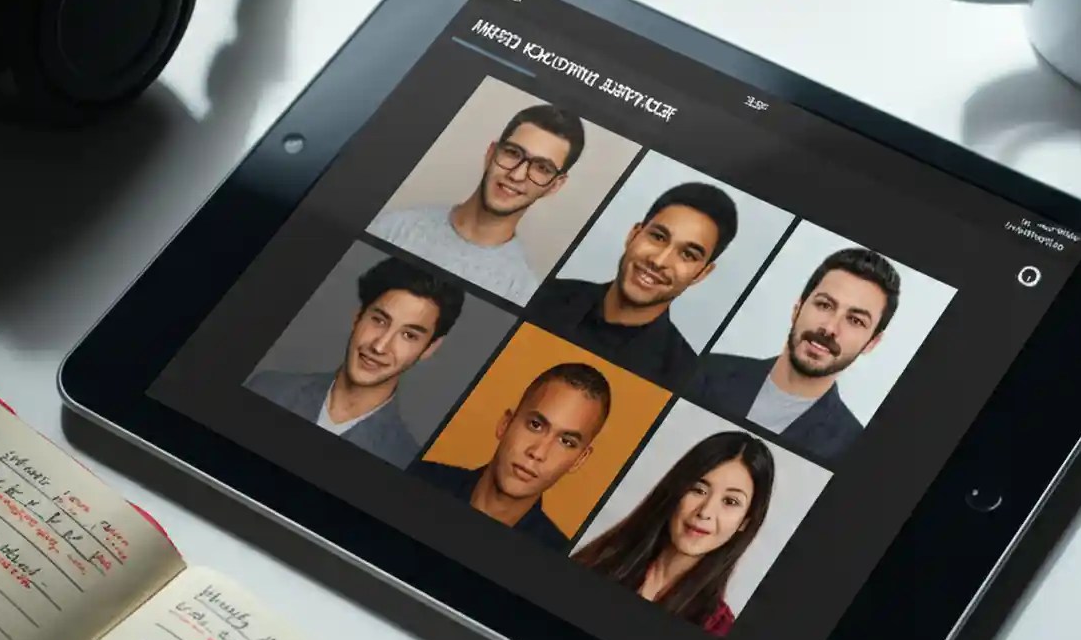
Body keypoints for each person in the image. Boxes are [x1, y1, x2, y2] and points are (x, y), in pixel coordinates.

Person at [246, 257, 465, 468]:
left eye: (408, 335)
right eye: (379, 320)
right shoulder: (268, 388)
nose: (380, 346)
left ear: (430, 347)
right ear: (357, 317)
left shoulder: (403, 460)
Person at [691, 248, 901, 461]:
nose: (830, 328)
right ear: (797, 308)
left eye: (855, 320)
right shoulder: (706, 371)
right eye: (824, 305)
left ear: (871, 343)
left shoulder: (853, 449)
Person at [367, 103, 586, 305]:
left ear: (555, 185)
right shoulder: (394, 227)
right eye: (512, 153)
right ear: (491, 153)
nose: (517, 175)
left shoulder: (522, 291)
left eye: (542, 168)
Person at [528, 182, 738, 389]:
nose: (659, 261)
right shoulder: (542, 293)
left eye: (687, 254)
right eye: (658, 237)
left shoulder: (683, 379)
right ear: (634, 234)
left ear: (702, 273)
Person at [572, 431, 775, 636]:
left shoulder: (718, 629)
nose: (705, 512)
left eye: (730, 502)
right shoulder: (603, 559)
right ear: (677, 490)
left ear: (745, 522)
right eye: (699, 490)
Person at [412, 363, 611, 551]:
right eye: (535, 425)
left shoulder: (557, 562)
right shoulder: (415, 478)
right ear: (505, 424)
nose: (538, 453)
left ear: (579, 459)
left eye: (566, 442)